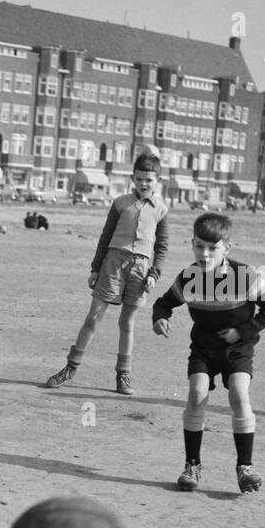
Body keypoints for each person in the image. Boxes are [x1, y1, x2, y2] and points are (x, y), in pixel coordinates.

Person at [151, 212, 265, 493]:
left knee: (238, 394)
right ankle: (192, 466)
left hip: (238, 348)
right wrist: (160, 318)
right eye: (199, 246)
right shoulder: (188, 277)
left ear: (227, 248)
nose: (205, 253)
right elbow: (163, 303)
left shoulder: (244, 275)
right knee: (197, 395)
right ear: (192, 244)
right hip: (204, 347)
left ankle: (244, 468)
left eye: (213, 248)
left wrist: (243, 332)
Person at [44, 152, 169, 395]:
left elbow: (162, 247)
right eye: (140, 178)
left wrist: (154, 274)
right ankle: (70, 368)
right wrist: (95, 267)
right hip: (112, 264)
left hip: (141, 270)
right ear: (133, 177)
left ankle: (123, 375)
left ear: (158, 180)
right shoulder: (120, 203)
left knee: (127, 322)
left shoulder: (162, 210)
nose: (144, 184)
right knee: (93, 318)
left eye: (149, 180)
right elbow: (105, 236)